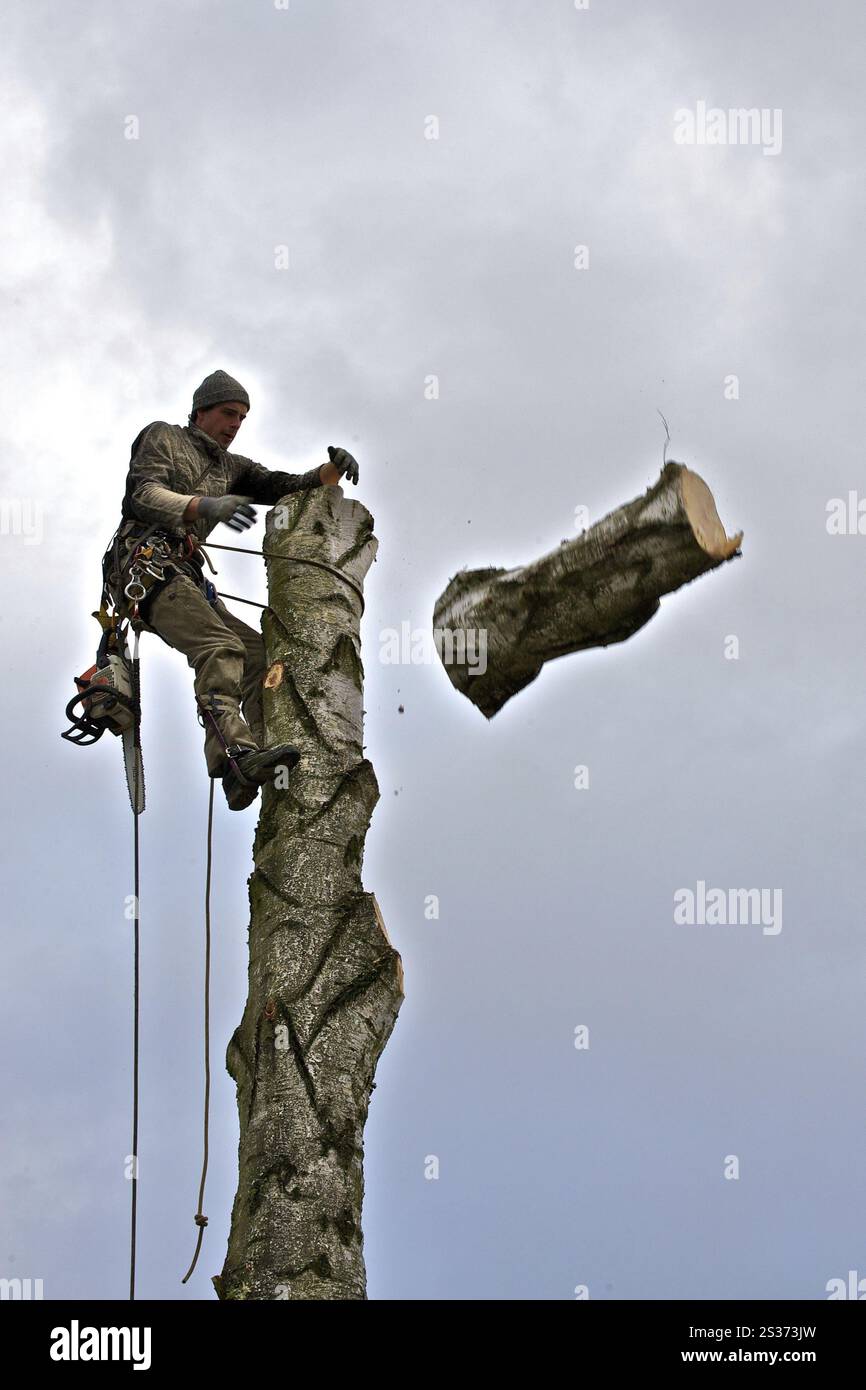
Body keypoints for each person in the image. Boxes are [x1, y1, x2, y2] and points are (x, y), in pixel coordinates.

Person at [102, 369, 360, 810]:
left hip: (184, 575)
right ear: (201, 410)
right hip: (145, 568)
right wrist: (202, 506)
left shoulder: (231, 468)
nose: (235, 424)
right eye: (227, 413)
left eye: (242, 416)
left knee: (259, 655)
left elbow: (284, 486)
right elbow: (142, 495)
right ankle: (232, 755)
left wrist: (329, 471)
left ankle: (253, 764)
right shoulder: (163, 437)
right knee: (220, 646)